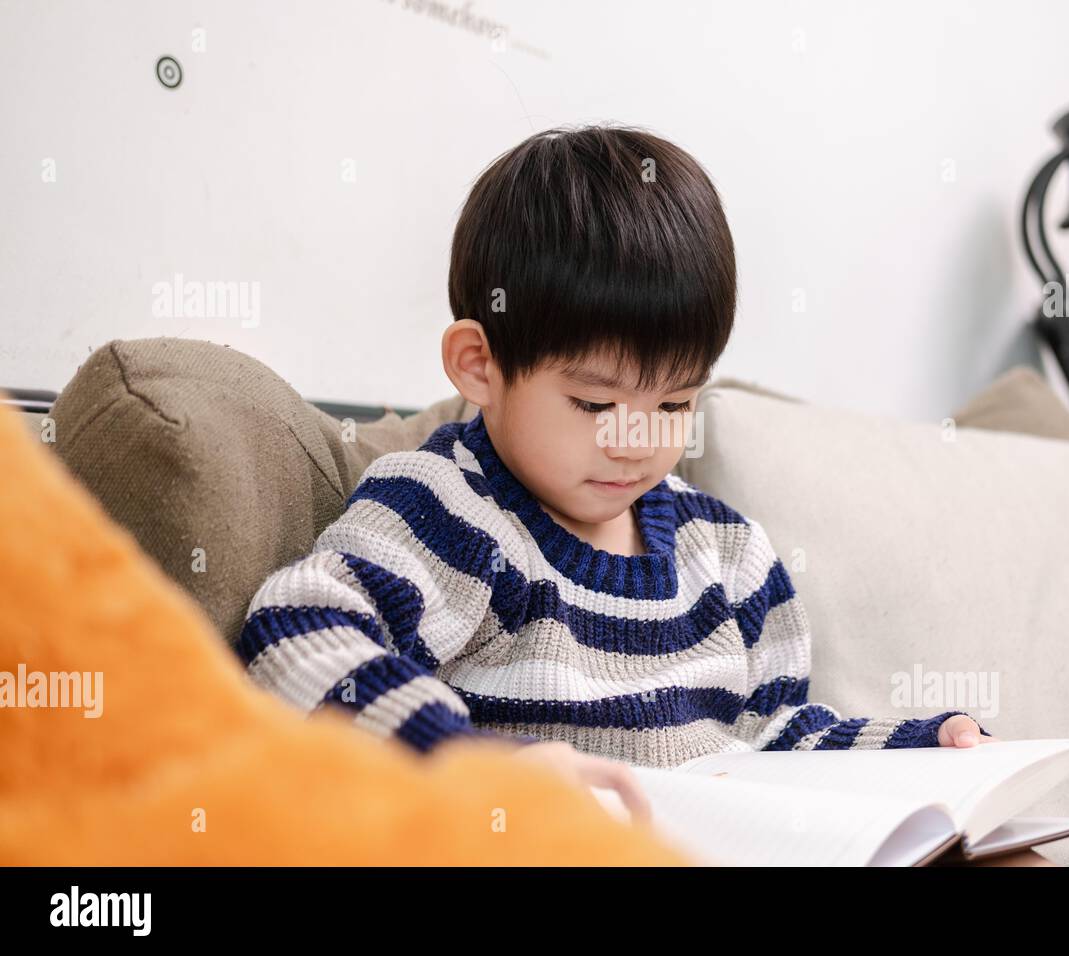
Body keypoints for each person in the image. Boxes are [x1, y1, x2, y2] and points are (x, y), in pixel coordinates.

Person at [236, 124, 995, 826]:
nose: (637, 439)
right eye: (595, 402)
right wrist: (465, 760)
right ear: (480, 366)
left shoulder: (729, 555)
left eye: (674, 401)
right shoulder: (449, 510)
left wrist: (921, 751)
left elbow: (778, 738)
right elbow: (294, 634)